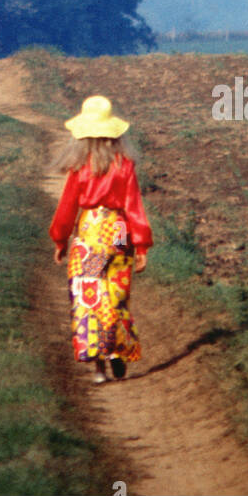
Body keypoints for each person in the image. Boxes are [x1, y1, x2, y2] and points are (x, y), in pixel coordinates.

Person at [49, 95, 153, 384]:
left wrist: (60, 239)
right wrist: (141, 243)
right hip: (119, 231)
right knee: (116, 294)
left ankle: (99, 367)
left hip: (92, 234)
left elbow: (68, 207)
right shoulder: (125, 164)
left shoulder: (81, 166)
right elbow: (134, 205)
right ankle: (117, 347)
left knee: (90, 297)